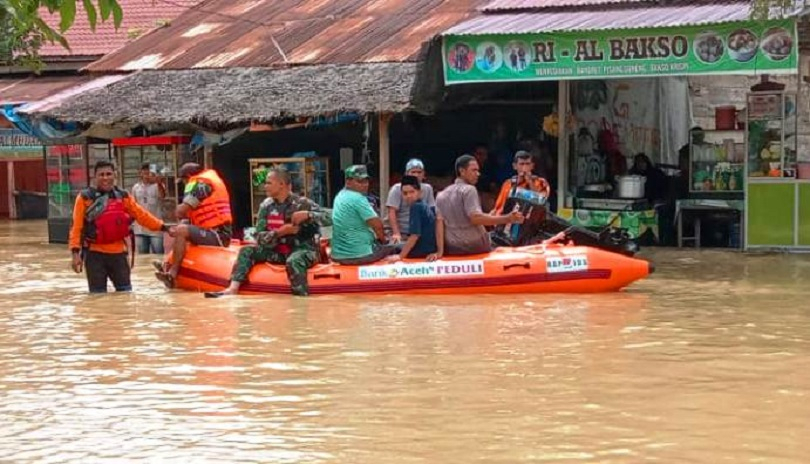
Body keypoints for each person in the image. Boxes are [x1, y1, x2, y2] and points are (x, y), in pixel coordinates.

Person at [205, 168, 331, 298]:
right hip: (277, 251)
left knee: (294, 260)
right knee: (246, 251)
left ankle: (301, 298)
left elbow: (330, 217)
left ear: (281, 184)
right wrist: (280, 233)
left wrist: (309, 215)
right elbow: (259, 238)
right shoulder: (266, 206)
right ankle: (232, 289)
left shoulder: (302, 203)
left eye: (269, 183)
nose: (265, 186)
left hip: (303, 250)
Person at [70, 161, 172, 293]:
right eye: (101, 175)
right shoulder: (84, 197)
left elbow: (141, 215)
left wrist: (164, 228)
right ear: (95, 177)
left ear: (115, 176)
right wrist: (75, 254)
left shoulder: (123, 196)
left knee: (125, 293)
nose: (105, 178)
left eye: (108, 174)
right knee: (97, 295)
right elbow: (76, 227)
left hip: (118, 254)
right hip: (94, 254)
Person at [155, 163, 233, 288]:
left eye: (183, 181)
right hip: (212, 230)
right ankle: (168, 264)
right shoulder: (208, 182)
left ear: (188, 177)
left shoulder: (202, 187)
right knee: (183, 225)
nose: (184, 184)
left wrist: (178, 210)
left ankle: (172, 274)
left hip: (218, 235)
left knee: (181, 230)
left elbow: (180, 211)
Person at [435, 154, 524, 256]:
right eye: (474, 170)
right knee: (509, 239)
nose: (478, 174)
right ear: (462, 171)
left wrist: (440, 251)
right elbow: (476, 218)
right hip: (476, 247)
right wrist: (508, 218)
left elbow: (439, 224)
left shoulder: (441, 195)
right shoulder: (469, 190)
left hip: (454, 248)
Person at [331, 165, 396, 265]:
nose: (365, 185)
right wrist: (384, 240)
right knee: (397, 246)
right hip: (360, 255)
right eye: (360, 181)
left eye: (366, 181)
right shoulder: (358, 198)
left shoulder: (339, 196)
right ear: (348, 182)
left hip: (338, 255)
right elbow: (377, 225)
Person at [389, 175, 443, 261]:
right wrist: (439, 251)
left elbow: (414, 236)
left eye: (412, 192)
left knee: (389, 248)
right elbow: (439, 220)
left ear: (419, 192)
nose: (408, 196)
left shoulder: (416, 207)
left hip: (419, 251)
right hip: (430, 249)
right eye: (405, 193)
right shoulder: (425, 205)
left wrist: (400, 256)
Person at [386, 158, 436, 243]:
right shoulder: (397, 189)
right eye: (413, 172)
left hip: (420, 231)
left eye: (419, 172)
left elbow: (431, 211)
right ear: (406, 174)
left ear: (424, 174)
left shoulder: (427, 188)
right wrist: (396, 233)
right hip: (401, 231)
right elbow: (392, 212)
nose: (416, 175)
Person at [491, 151, 551, 215]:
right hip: (509, 218)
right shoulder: (508, 183)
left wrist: (530, 182)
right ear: (515, 166)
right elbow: (498, 207)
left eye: (527, 164)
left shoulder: (541, 182)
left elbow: (542, 202)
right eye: (521, 164)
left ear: (532, 166)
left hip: (532, 218)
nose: (524, 167)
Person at [131, 163, 167, 254]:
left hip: (156, 228)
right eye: (145, 173)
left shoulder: (158, 186)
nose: (147, 176)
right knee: (142, 255)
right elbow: (133, 205)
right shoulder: (136, 187)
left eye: (149, 173)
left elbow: (162, 196)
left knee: (158, 254)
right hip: (140, 228)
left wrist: (159, 182)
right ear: (141, 174)